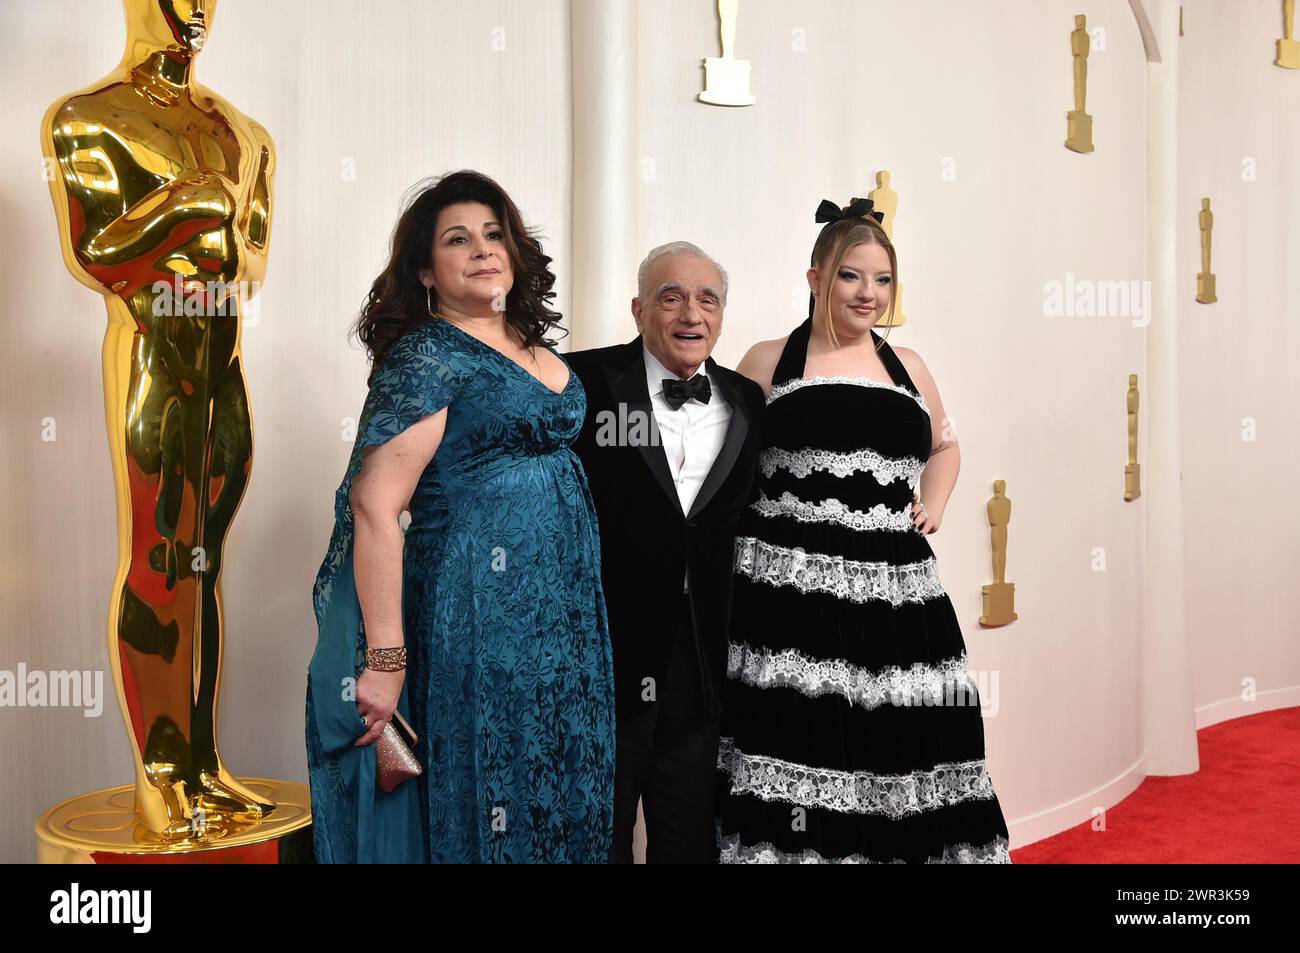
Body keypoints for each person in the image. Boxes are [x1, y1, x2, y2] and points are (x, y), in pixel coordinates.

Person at [306, 170, 614, 863]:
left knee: (560, 775)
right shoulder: (428, 355)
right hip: (476, 613)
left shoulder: (537, 350)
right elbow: (375, 504)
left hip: (563, 623)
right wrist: (386, 660)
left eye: (493, 233)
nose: (481, 248)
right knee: (489, 779)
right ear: (425, 269)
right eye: (457, 239)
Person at [716, 198, 1012, 863]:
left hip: (897, 589)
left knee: (896, 744)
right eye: (852, 275)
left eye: (882, 279)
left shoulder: (909, 362)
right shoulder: (766, 359)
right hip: (789, 591)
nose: (868, 293)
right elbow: (723, 467)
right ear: (817, 276)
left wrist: (932, 504)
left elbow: (945, 446)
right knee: (804, 739)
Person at [567, 242, 764, 862]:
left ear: (722, 315)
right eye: (671, 296)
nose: (691, 312)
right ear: (638, 310)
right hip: (605, 654)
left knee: (687, 835)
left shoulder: (747, 401)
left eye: (708, 298)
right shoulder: (582, 380)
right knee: (600, 833)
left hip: (702, 661)